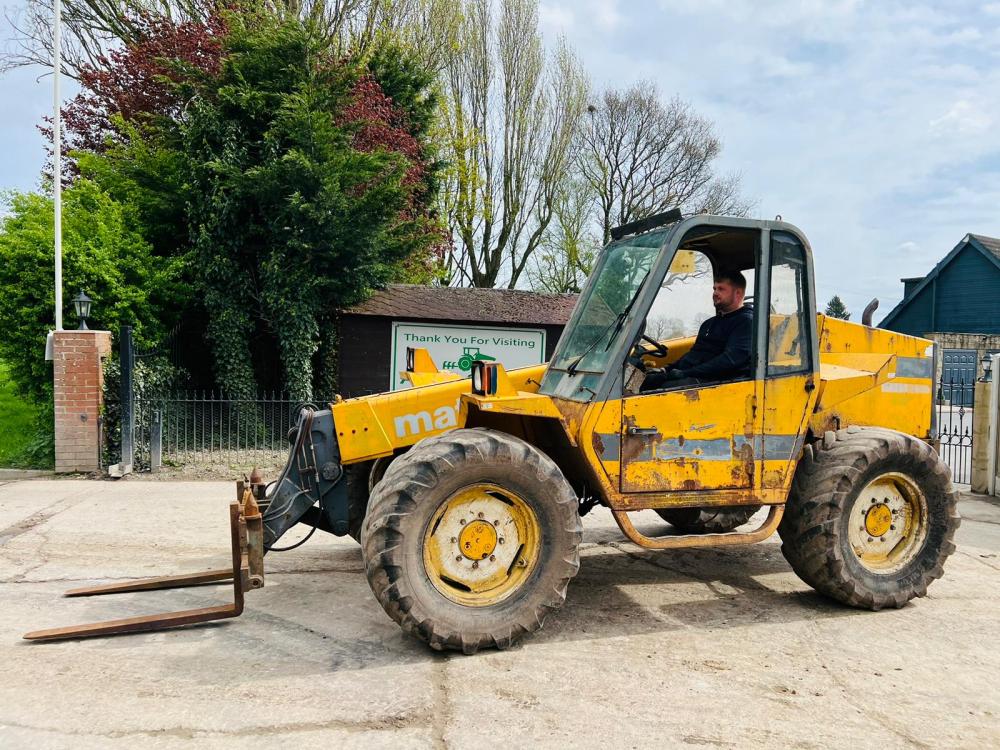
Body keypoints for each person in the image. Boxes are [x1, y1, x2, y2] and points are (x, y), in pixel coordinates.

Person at [640, 270, 753, 392]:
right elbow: (694, 354)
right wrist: (667, 369)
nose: (715, 293)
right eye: (714, 289)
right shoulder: (709, 324)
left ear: (738, 293)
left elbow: (730, 360)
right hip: (697, 376)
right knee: (647, 382)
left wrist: (686, 373)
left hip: (720, 383)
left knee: (664, 390)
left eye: (721, 289)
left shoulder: (746, 322)